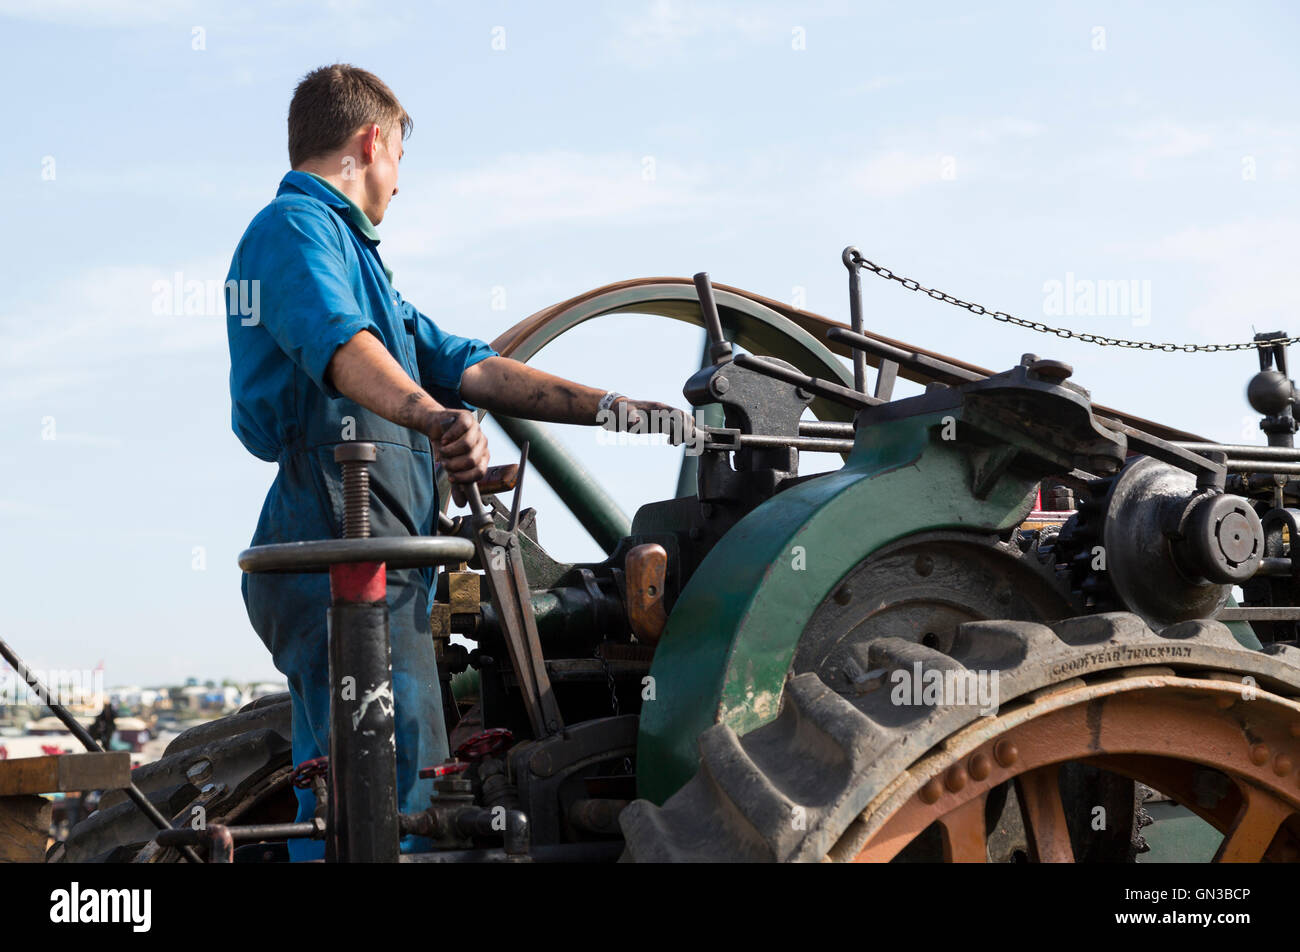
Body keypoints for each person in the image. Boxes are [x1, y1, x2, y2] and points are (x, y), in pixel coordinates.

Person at [225, 64, 692, 861]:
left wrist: (625, 412)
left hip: (380, 560)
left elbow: (471, 366)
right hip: (344, 551)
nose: (399, 186)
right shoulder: (292, 230)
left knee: (359, 785)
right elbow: (340, 347)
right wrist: (435, 419)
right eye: (400, 159)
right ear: (372, 144)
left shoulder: (361, 265)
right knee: (385, 795)